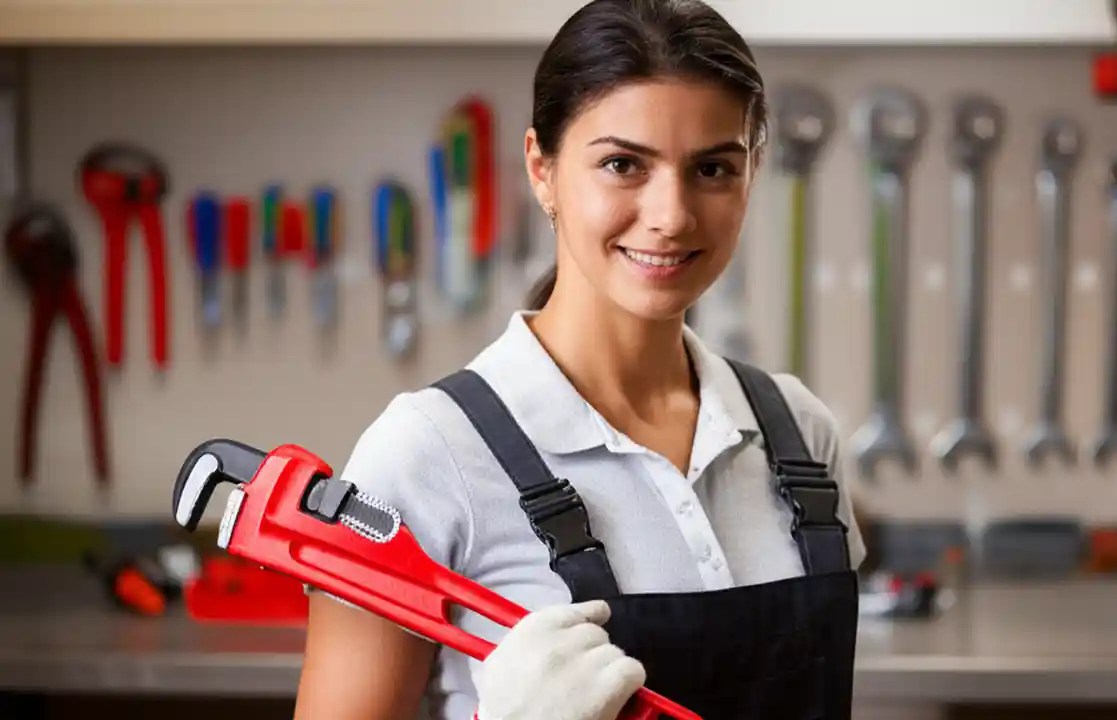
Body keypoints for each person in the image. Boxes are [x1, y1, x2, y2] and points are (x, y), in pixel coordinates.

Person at [294, 1, 867, 718]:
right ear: (542, 169)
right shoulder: (424, 456)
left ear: (751, 174)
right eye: (623, 164)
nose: (672, 215)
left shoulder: (799, 436)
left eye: (713, 168)